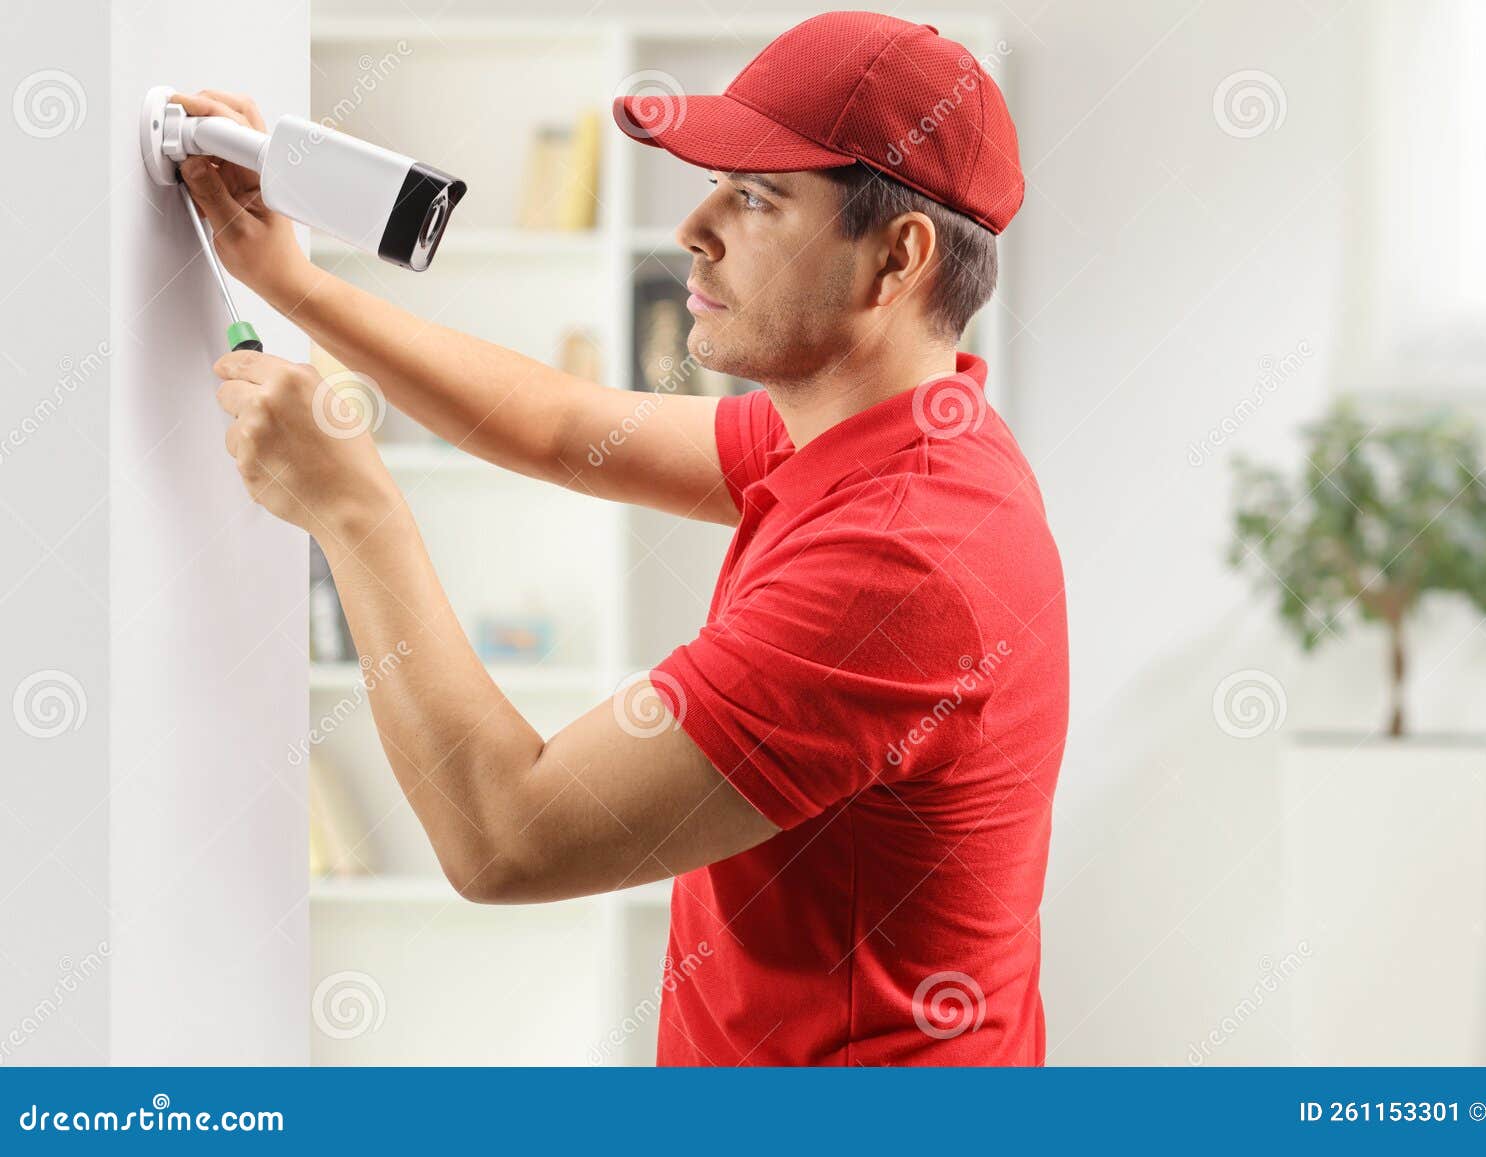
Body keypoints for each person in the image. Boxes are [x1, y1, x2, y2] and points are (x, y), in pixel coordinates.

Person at [175, 10, 1067, 1066]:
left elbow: (506, 838)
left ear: (895, 259)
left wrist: (353, 513)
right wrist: (293, 282)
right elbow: (559, 427)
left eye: (754, 196)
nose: (692, 226)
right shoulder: (885, 436)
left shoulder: (901, 557)